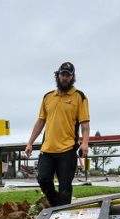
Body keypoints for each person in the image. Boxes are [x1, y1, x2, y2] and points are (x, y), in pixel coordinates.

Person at [25, 62, 90, 207]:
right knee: (43, 179)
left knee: (65, 188)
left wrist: (85, 143)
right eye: (63, 74)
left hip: (67, 150)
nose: (65, 77)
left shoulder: (80, 97)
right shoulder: (48, 97)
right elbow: (40, 121)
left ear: (72, 77)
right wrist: (30, 142)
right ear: (58, 75)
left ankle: (62, 215)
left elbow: (85, 124)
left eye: (68, 75)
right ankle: (57, 208)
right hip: (47, 149)